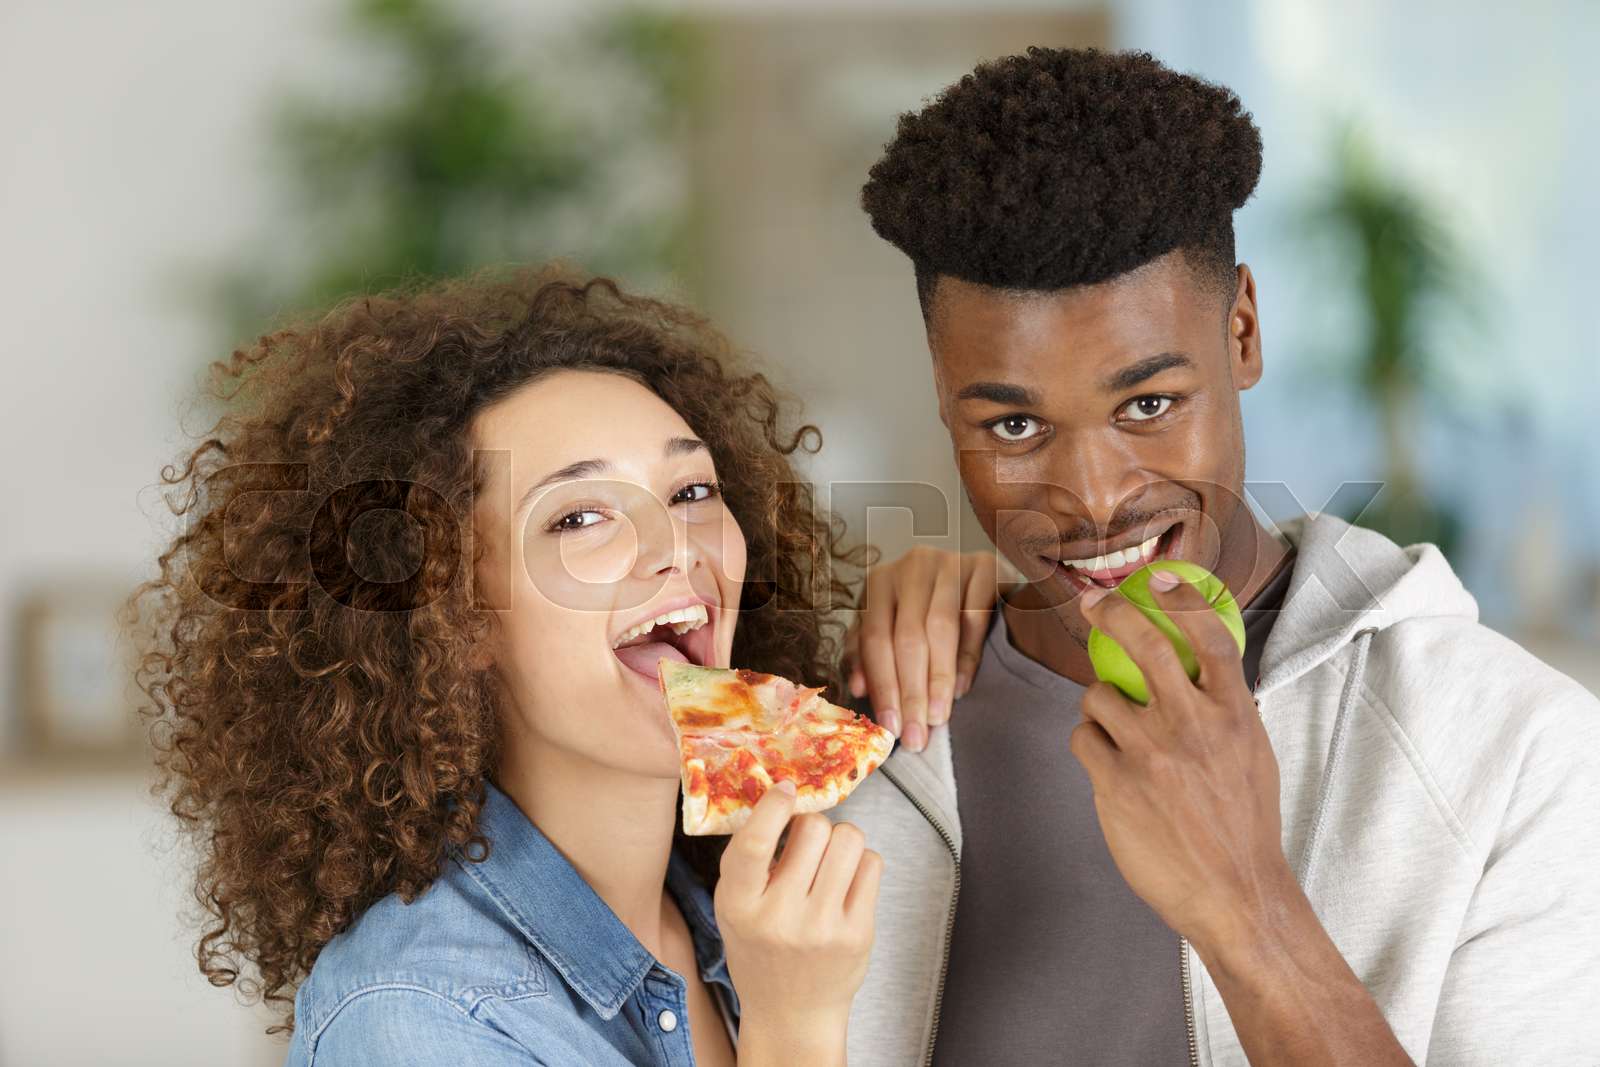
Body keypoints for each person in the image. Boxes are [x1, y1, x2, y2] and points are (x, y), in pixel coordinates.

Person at [832, 47, 1600, 1066]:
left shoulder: (1510, 749)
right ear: (942, 390)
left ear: (1240, 328)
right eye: (1013, 427)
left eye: (1148, 404)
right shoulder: (868, 744)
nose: (1094, 498)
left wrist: (1249, 907)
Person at [130, 268, 967, 1066]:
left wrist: (973, 587)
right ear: (455, 620)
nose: (676, 543)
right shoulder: (412, 1016)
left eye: (690, 493)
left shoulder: (748, 915)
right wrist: (795, 1027)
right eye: (581, 515)